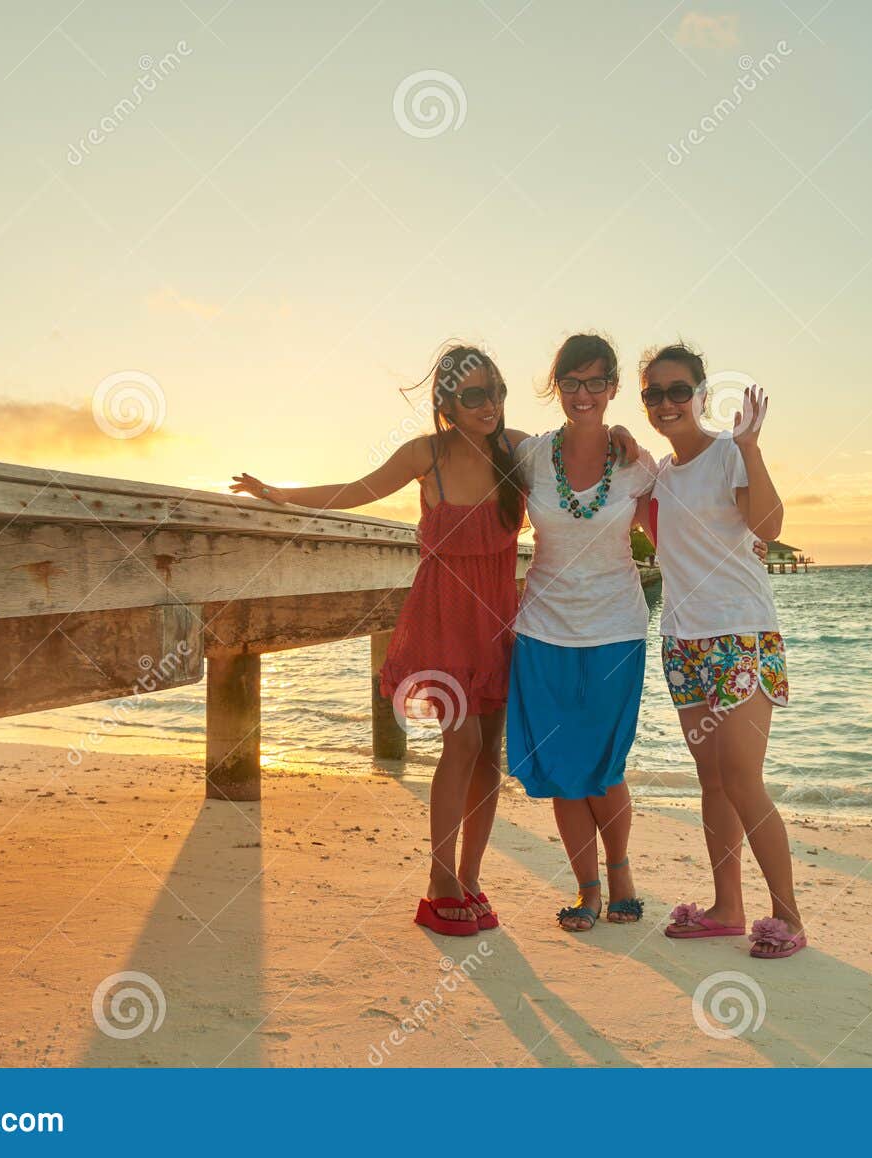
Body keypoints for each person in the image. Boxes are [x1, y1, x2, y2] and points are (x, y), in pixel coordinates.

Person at [230, 345, 522, 937]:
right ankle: (440, 877)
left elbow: (581, 462)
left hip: (498, 619)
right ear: (448, 402)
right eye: (473, 395)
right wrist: (282, 495)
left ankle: (470, 874)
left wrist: (619, 434)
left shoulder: (517, 450)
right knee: (461, 743)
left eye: (495, 391)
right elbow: (357, 489)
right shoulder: (427, 455)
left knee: (491, 753)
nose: (488, 405)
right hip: (443, 618)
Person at [642, 343, 806, 960]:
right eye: (653, 394)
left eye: (678, 391)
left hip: (740, 636)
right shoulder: (662, 474)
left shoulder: (727, 457)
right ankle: (727, 908)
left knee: (742, 779)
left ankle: (788, 916)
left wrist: (752, 450)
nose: (666, 404)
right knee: (711, 779)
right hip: (682, 642)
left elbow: (768, 526)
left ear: (701, 394)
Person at [504, 334, 658, 932]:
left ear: (614, 388)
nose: (583, 393)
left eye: (596, 382)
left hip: (617, 630)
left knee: (604, 765)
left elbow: (679, 529)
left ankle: (621, 875)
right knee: (566, 768)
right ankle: (587, 891)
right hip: (542, 630)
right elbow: (474, 462)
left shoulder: (637, 464)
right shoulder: (532, 457)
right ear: (556, 387)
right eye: (571, 382)